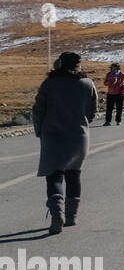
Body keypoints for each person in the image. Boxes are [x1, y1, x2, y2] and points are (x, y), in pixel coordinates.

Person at [32, 51, 98, 235]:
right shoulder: (87, 84)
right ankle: (71, 217)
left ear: (58, 64)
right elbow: (92, 111)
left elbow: (38, 111)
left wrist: (39, 130)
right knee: (74, 175)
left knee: (54, 176)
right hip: (79, 136)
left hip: (53, 136)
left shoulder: (49, 84)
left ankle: (57, 215)